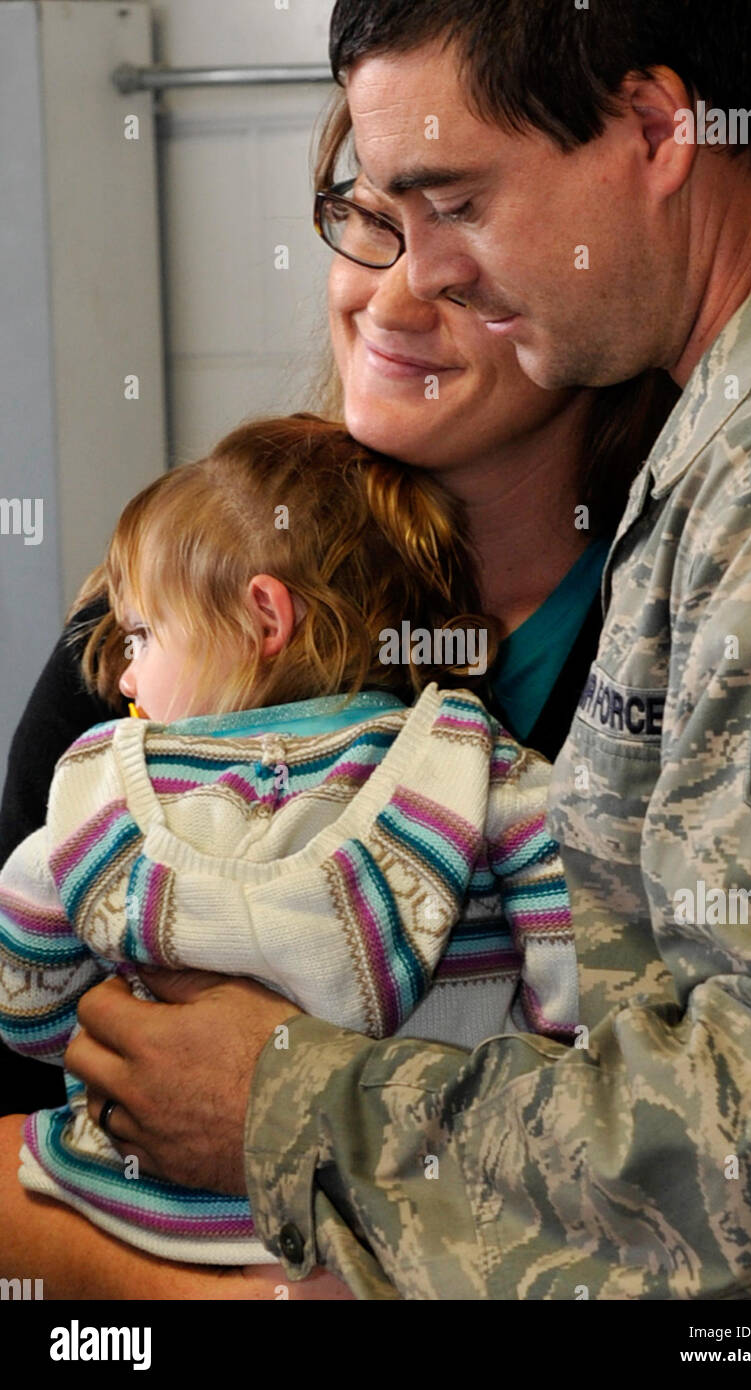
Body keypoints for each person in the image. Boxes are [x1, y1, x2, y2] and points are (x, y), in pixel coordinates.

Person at [0, 86, 676, 1119]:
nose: (393, 300)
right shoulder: (161, 625)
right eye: (370, 224)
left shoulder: (673, 637)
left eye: (466, 233)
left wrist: (291, 1110)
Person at [0, 413, 579, 1294]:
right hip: (402, 1213)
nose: (121, 678)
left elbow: (30, 1007)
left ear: (265, 615)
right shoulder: (478, 766)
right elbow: (568, 957)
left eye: (142, 636)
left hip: (146, 1207)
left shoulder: (106, 787)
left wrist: (83, 1031)